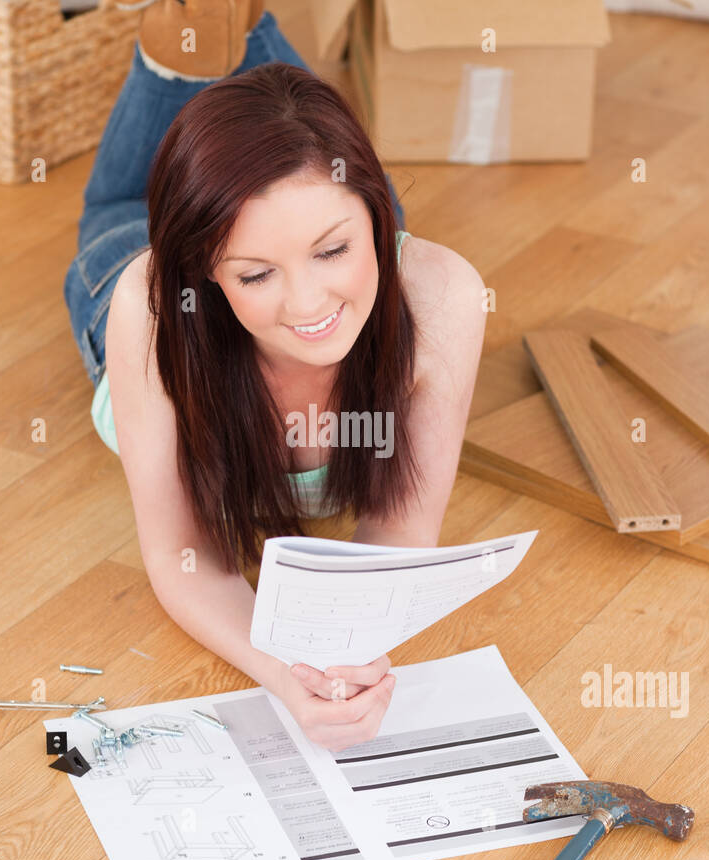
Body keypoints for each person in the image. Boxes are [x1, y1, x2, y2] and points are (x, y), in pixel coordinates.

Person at [64, 0, 486, 751]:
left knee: (292, 136)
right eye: (257, 274)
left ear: (378, 216)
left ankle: (224, 22)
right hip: (128, 266)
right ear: (211, 274)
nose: (310, 304)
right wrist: (282, 669)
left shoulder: (443, 296)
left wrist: (350, 649)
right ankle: (195, 44)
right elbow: (181, 554)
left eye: (334, 251)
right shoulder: (154, 302)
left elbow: (401, 524)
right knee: (115, 208)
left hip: (290, 216)